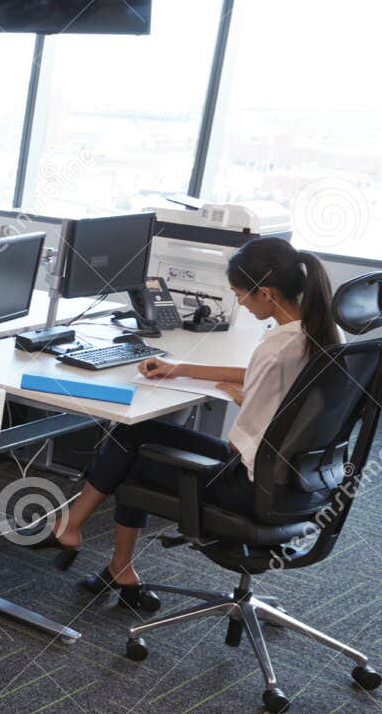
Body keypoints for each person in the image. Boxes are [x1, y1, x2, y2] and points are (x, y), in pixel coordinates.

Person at [32, 238, 338, 614]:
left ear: (266, 293)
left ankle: (88, 541)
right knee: (135, 435)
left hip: (249, 487)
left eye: (241, 295)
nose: (239, 303)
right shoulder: (314, 332)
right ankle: (96, 549)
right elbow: (266, 382)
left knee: (133, 454)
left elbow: (252, 422)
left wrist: (241, 395)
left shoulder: (276, 348)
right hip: (299, 484)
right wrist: (183, 369)